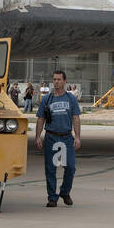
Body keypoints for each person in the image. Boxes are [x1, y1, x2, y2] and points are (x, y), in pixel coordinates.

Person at [36, 69, 82, 207]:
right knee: (50, 168)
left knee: (70, 167)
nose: (56, 82)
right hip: (51, 137)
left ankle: (64, 191)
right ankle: (52, 197)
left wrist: (78, 137)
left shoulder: (70, 99)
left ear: (64, 81)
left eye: (59, 79)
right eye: (54, 79)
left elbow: (76, 118)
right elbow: (40, 118)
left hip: (66, 137)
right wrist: (38, 136)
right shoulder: (46, 99)